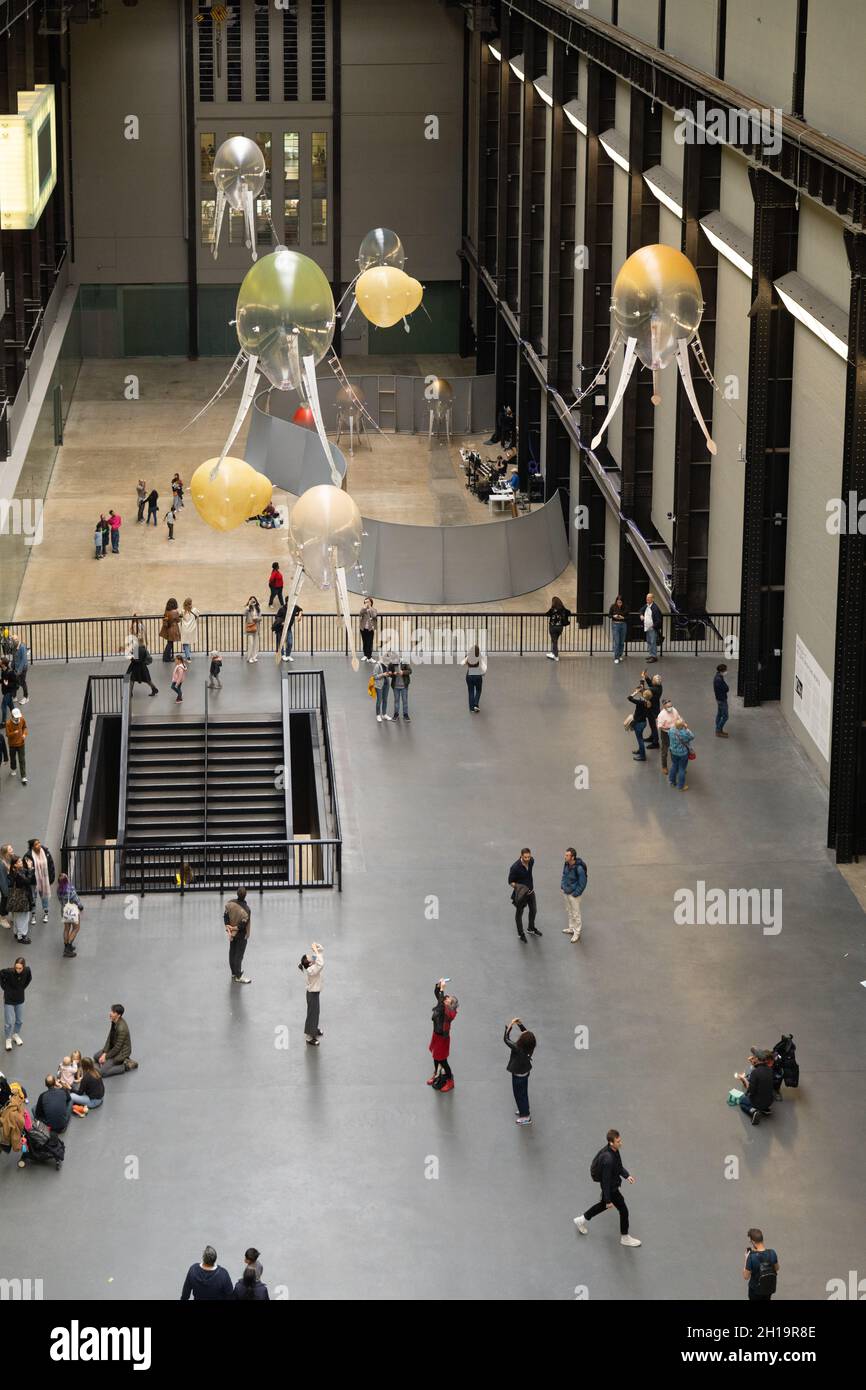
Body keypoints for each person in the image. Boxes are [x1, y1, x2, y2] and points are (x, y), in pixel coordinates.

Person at [574, 1129, 642, 1247]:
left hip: (612, 1184)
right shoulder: (608, 1160)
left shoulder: (614, 1150)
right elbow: (605, 1182)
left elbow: (619, 1166)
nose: (621, 1143)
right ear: (611, 1142)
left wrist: (627, 1176)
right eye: (618, 1141)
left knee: (602, 1206)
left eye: (620, 1140)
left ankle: (581, 1219)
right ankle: (625, 1237)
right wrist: (608, 1199)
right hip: (611, 1188)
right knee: (623, 1210)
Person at [504, 1018, 536, 1125]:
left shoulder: (518, 1048)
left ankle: (525, 1117)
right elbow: (527, 1035)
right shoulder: (529, 1045)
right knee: (523, 1094)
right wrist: (520, 1024)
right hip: (525, 1073)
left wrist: (508, 1028)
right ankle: (524, 1110)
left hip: (518, 1076)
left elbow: (506, 1039)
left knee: (518, 1095)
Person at [428, 978, 458, 1092]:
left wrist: (442, 989)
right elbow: (438, 995)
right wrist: (438, 985)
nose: (446, 998)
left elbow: (440, 1000)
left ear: (450, 1005)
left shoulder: (448, 1012)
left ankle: (450, 1081)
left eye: (448, 999)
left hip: (442, 1038)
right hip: (436, 1035)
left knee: (443, 1061)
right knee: (435, 1056)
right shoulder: (443, 1005)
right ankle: (436, 1074)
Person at [508, 848, 542, 942]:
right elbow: (510, 882)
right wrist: (520, 888)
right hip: (521, 895)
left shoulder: (531, 861)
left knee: (533, 910)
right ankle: (520, 933)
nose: (527, 859)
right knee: (519, 914)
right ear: (521, 856)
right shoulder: (515, 867)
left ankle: (531, 928)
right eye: (525, 857)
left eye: (529, 857)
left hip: (531, 892)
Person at [95, 1004, 138, 1076]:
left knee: (102, 1073)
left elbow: (118, 1048)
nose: (110, 1013)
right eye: (111, 1011)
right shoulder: (114, 1021)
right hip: (113, 1048)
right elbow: (109, 1038)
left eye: (113, 1012)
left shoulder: (122, 1028)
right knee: (96, 1056)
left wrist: (106, 1057)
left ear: (118, 1015)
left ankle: (125, 1066)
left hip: (121, 1053)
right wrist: (105, 1052)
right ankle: (107, 1063)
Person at [738, 1049, 775, 1125]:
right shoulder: (770, 1069)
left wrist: (744, 1079)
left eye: (754, 1057)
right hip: (770, 1101)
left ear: (757, 1059)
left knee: (742, 1101)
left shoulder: (755, 1072)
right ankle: (765, 1109)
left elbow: (751, 1090)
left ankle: (753, 1111)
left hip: (758, 1102)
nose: (752, 1058)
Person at [1, 957, 31, 1050]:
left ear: (23, 967)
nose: (17, 970)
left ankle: (15, 1034)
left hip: (20, 999)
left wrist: (21, 988)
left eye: (20, 968)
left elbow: (28, 979)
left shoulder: (27, 970)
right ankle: (8, 1039)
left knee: (19, 1020)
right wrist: (5, 988)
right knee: (8, 1023)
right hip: (9, 1000)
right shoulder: (9, 971)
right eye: (16, 967)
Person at [743, 1229, 779, 1300]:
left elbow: (746, 1276)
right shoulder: (772, 1253)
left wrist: (746, 1259)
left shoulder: (751, 1257)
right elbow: (777, 1268)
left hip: (755, 1291)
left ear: (753, 1242)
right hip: (768, 1289)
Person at [225, 888, 251, 984]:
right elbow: (242, 925)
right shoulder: (246, 910)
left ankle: (233, 973)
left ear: (237, 894)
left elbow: (226, 915)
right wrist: (235, 928)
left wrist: (229, 927)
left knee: (232, 952)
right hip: (241, 935)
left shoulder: (230, 903)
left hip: (232, 933)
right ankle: (238, 976)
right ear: (245, 895)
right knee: (239, 955)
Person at [299, 942, 324, 1045]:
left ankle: (314, 1029)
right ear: (309, 963)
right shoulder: (312, 969)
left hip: (315, 993)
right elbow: (320, 963)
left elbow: (320, 953)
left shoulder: (312, 964)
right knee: (312, 1014)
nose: (312, 956)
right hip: (312, 994)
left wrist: (317, 948)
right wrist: (316, 952)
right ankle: (309, 1036)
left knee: (315, 1013)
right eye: (310, 958)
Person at [561, 847, 587, 943]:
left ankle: (577, 932)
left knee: (576, 914)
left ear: (572, 857)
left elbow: (583, 883)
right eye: (565, 855)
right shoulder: (566, 864)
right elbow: (564, 875)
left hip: (573, 895)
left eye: (567, 855)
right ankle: (571, 928)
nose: (565, 857)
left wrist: (576, 893)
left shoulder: (579, 868)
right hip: (566, 892)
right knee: (569, 911)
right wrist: (562, 886)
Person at [26, 839, 55, 925]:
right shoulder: (28, 856)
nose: (39, 845)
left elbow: (51, 865)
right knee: (33, 898)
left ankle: (46, 913)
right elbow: (27, 870)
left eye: (39, 843)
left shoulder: (46, 852)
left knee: (44, 896)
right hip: (34, 881)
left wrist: (51, 878)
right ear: (32, 847)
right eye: (36, 844)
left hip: (44, 880)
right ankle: (33, 915)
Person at [58, 872, 83, 957]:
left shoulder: (59, 890)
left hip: (64, 910)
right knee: (76, 928)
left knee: (66, 928)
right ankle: (68, 948)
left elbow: (60, 900)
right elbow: (76, 899)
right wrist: (80, 907)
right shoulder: (70, 888)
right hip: (72, 911)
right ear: (66, 880)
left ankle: (66, 945)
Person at [6, 861, 31, 943]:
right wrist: (30, 869)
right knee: (23, 918)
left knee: (16, 917)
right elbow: (28, 881)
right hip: (21, 899)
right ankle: (21, 936)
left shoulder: (12, 873)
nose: (21, 862)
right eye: (19, 861)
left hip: (15, 900)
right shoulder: (19, 874)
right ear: (15, 865)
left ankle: (16, 933)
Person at [667, 717, 695, 791]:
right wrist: (686, 729)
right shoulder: (684, 733)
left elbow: (669, 733)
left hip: (673, 752)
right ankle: (681, 786)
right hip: (682, 753)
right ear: (682, 726)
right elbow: (692, 736)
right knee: (682, 769)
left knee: (674, 765)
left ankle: (672, 781)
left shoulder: (671, 730)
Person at [656, 697, 680, 777]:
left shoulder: (674, 710)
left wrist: (682, 723)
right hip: (666, 734)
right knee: (665, 750)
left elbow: (678, 717)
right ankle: (664, 766)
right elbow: (659, 726)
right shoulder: (661, 715)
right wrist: (668, 728)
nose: (670, 708)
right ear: (664, 707)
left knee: (674, 749)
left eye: (671, 706)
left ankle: (675, 766)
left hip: (675, 733)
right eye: (668, 707)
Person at [627, 686, 653, 761]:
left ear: (644, 695)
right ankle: (640, 750)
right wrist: (641, 690)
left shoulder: (640, 702)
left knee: (640, 739)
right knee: (640, 737)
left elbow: (629, 698)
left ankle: (642, 756)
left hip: (638, 724)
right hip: (643, 722)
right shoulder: (648, 702)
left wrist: (635, 692)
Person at [639, 670, 663, 749]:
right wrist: (646, 677)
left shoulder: (653, 690)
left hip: (651, 710)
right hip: (655, 708)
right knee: (652, 725)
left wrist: (642, 680)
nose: (651, 680)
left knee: (653, 726)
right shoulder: (659, 687)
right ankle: (652, 737)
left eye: (652, 679)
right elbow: (651, 685)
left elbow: (643, 692)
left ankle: (655, 742)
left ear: (654, 682)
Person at [461, 644, 487, 712]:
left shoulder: (468, 656)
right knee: (478, 690)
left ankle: (471, 708)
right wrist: (483, 673)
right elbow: (484, 667)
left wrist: (467, 659)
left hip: (469, 674)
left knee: (470, 691)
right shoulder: (479, 657)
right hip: (477, 675)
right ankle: (475, 704)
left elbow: (462, 663)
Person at [5, 709, 28, 784]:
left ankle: (23, 776)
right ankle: (13, 768)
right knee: (13, 758)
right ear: (12, 716)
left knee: (22, 759)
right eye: (16, 717)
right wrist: (14, 733)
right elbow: (7, 735)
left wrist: (24, 734)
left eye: (18, 717)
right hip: (12, 745)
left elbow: (25, 727)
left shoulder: (22, 719)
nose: (17, 719)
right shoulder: (8, 723)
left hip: (21, 743)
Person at [546, 596, 570, 661]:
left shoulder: (552, 609)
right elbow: (569, 612)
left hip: (553, 627)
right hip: (560, 627)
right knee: (554, 640)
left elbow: (547, 614)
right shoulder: (562, 609)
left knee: (554, 641)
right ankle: (553, 652)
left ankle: (556, 656)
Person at [642, 592, 663, 662]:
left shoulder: (655, 608)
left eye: (649, 597)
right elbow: (641, 610)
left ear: (652, 599)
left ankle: (654, 657)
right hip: (647, 628)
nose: (647, 599)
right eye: (647, 597)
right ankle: (651, 655)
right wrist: (641, 615)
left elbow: (659, 620)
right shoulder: (647, 605)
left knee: (653, 642)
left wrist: (653, 626)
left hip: (652, 628)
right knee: (649, 641)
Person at [609, 595, 628, 664]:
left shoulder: (625, 607)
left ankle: (620, 655)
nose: (619, 604)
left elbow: (627, 616)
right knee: (617, 641)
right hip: (615, 624)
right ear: (616, 601)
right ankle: (616, 657)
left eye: (620, 602)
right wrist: (614, 616)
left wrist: (623, 617)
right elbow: (609, 615)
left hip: (623, 624)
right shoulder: (613, 606)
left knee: (622, 641)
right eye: (618, 602)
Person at [359, 598, 378, 662]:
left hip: (370, 629)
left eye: (368, 602)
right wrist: (364, 608)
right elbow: (360, 614)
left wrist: (370, 607)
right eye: (365, 602)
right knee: (365, 642)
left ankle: (369, 657)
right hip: (363, 628)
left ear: (371, 602)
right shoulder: (363, 609)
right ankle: (365, 655)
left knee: (369, 643)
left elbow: (374, 616)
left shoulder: (374, 609)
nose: (366, 603)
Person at [372, 651, 391, 722]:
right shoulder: (378, 665)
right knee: (379, 700)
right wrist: (383, 674)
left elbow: (388, 674)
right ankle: (378, 715)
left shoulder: (388, 665)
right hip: (379, 686)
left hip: (386, 684)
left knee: (385, 700)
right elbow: (374, 676)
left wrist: (389, 674)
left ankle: (384, 714)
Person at [714, 662, 730, 737]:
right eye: (725, 670)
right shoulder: (719, 680)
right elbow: (726, 688)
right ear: (722, 671)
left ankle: (718, 729)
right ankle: (718, 730)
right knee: (725, 716)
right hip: (722, 699)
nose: (726, 671)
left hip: (719, 699)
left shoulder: (718, 676)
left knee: (719, 714)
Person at [12, 637, 29, 703]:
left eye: (16, 639)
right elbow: (14, 658)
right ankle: (14, 696)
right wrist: (12, 665)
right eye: (13, 640)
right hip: (16, 668)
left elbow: (23, 660)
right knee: (15, 682)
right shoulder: (14, 647)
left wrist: (19, 670)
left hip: (23, 668)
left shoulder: (22, 647)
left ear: (18, 639)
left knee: (22, 682)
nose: (14, 641)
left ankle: (26, 697)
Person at [244, 597, 262, 663]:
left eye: (254, 601)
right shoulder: (248, 608)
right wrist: (248, 605)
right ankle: (249, 658)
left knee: (255, 643)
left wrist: (257, 618)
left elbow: (260, 617)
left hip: (256, 627)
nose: (253, 602)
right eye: (251, 601)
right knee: (251, 643)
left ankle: (254, 657)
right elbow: (244, 614)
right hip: (250, 627)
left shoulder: (258, 608)